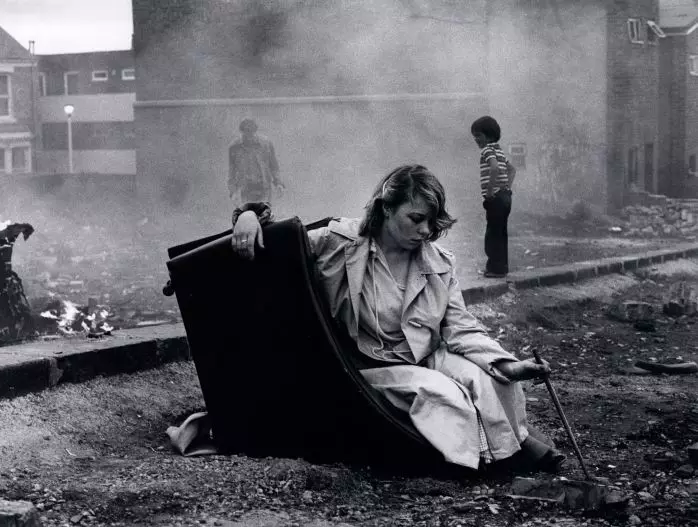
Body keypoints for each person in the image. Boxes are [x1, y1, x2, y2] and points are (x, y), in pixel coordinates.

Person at [231, 164, 565, 472]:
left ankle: (512, 448)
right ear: (386, 208)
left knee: (491, 380)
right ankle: (489, 463)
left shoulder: (439, 262)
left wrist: (510, 366)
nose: (425, 230)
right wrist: (247, 216)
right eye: (416, 218)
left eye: (432, 222)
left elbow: (461, 329)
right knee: (443, 393)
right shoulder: (340, 243)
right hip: (367, 366)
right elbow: (280, 241)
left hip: (425, 356)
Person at [471, 116, 516, 279]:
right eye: (474, 136)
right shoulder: (499, 150)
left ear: (488, 135)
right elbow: (512, 169)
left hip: (495, 199)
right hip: (505, 198)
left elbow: (495, 168)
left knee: (492, 234)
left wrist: (490, 191)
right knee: (501, 233)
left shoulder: (487, 150)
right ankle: (501, 267)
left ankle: (494, 269)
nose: (476, 139)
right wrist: (507, 187)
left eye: (478, 135)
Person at [228, 118, 284, 204]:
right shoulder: (235, 147)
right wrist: (233, 192)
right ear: (241, 132)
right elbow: (232, 172)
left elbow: (274, 166)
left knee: (264, 214)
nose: (249, 136)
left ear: (255, 131)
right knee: (249, 215)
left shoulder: (266, 144)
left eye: (251, 132)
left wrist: (278, 183)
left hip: (264, 188)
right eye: (246, 132)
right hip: (246, 189)